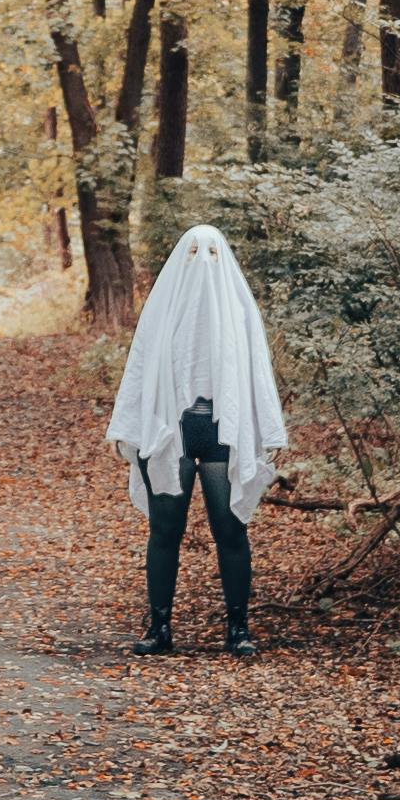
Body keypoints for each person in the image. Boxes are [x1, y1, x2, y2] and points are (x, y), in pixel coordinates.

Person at [105, 222, 286, 657]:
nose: (202, 262)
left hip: (224, 433)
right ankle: (160, 628)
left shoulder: (239, 310)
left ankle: (238, 629)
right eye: (192, 253)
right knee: (165, 530)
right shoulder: (163, 308)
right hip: (172, 433)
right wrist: (127, 426)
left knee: (231, 529)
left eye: (211, 253)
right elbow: (141, 367)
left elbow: (257, 371)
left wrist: (270, 429)